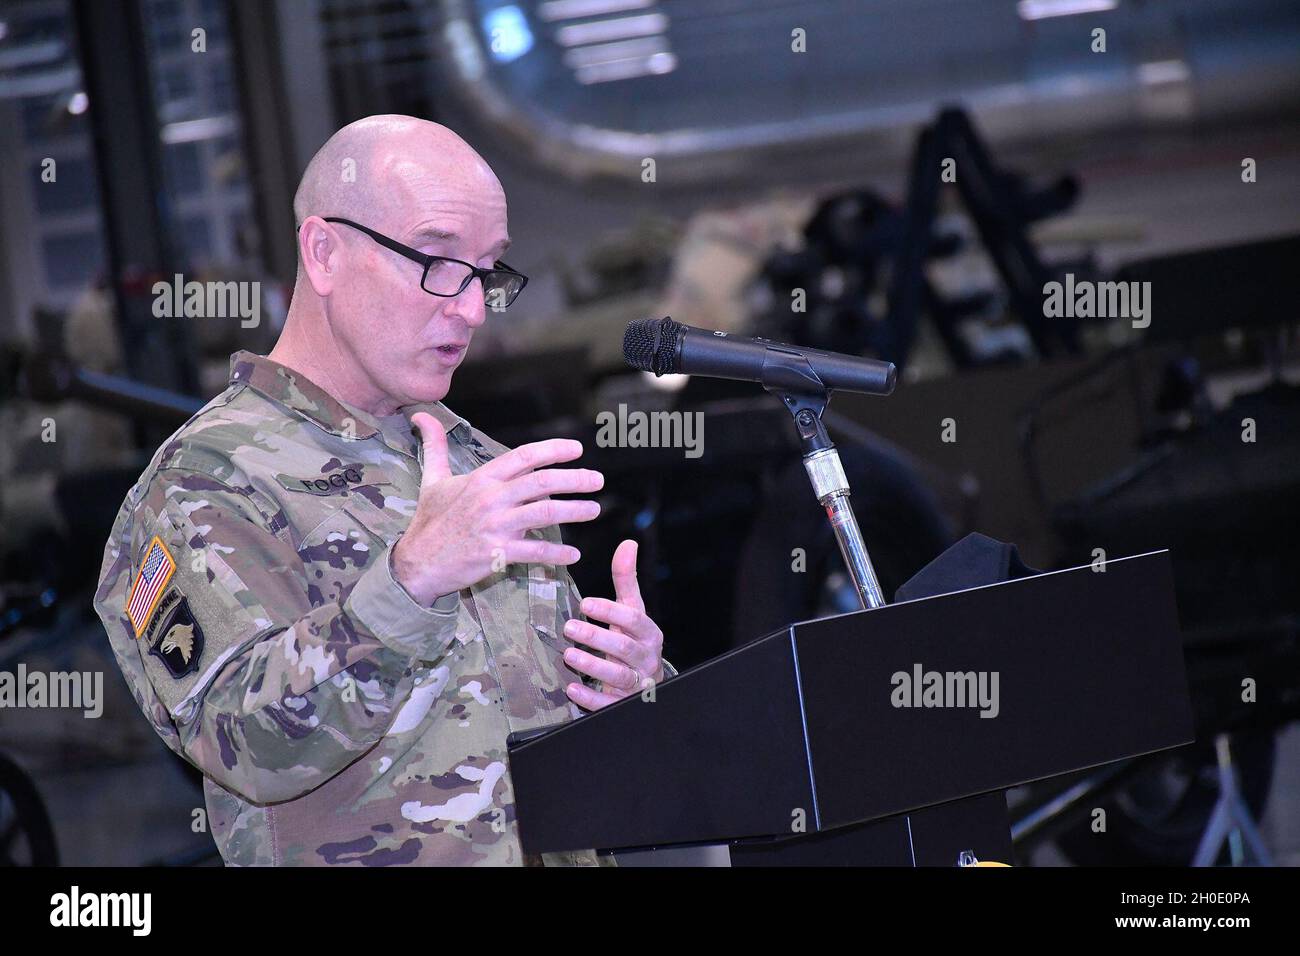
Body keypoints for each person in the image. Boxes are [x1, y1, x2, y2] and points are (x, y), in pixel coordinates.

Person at [93, 115, 671, 866]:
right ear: (325, 252)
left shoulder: (476, 463)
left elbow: (561, 754)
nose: (467, 307)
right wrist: (411, 582)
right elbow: (246, 744)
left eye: (487, 270)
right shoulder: (203, 483)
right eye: (436, 261)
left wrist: (637, 692)